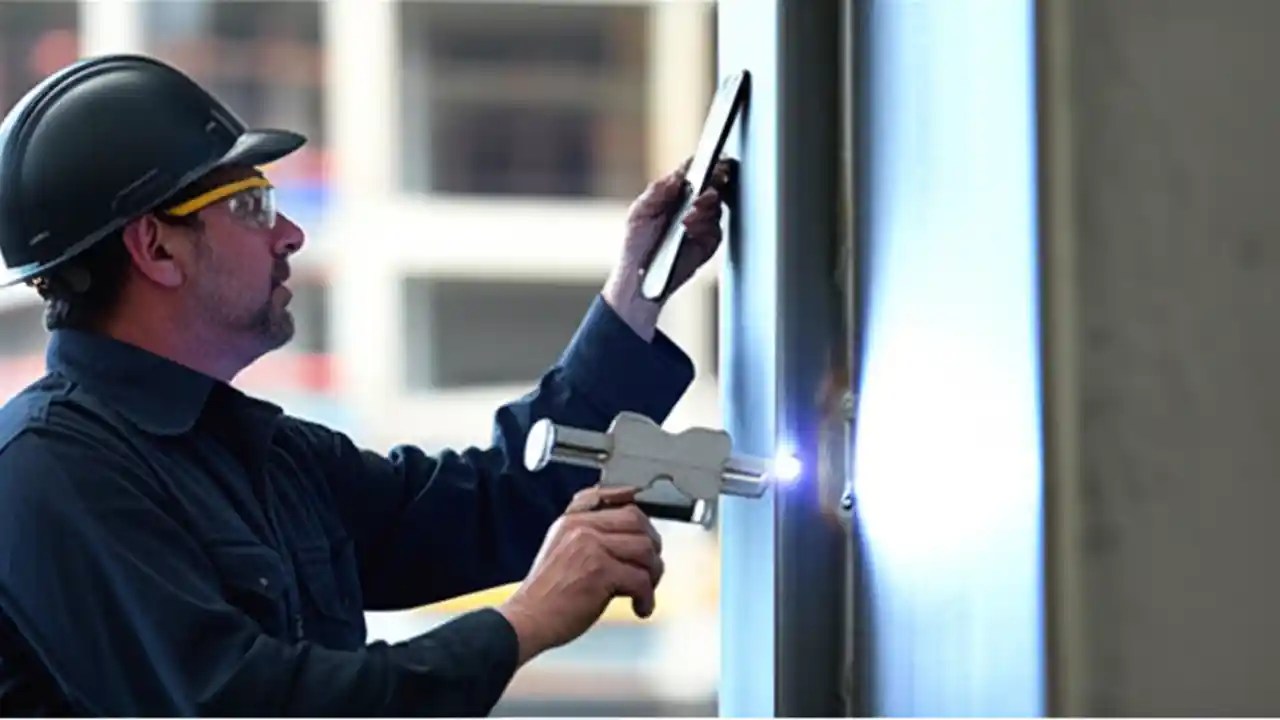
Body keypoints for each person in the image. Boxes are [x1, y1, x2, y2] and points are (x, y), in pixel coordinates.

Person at [0, 54, 734, 716]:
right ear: (155, 247)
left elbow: (492, 503)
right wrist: (526, 621)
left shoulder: (258, 453)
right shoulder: (46, 473)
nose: (289, 234)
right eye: (251, 205)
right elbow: (247, 705)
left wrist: (636, 296)